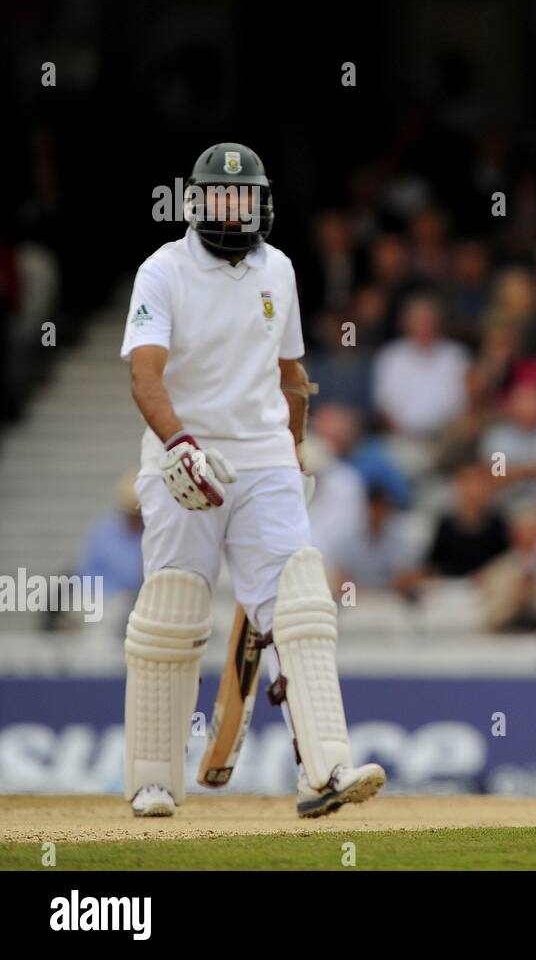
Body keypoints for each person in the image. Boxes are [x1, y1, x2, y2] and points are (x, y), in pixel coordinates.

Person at [119, 142, 385, 818]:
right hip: (184, 459)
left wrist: (293, 450)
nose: (231, 209)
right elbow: (144, 374)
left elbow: (290, 373)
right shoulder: (163, 271)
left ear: (260, 203)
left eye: (243, 198)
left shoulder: (281, 269)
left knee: (300, 605)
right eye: (218, 197)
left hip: (264, 458)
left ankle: (325, 769)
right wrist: (177, 443)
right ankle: (153, 778)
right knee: (175, 610)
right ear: (196, 203)